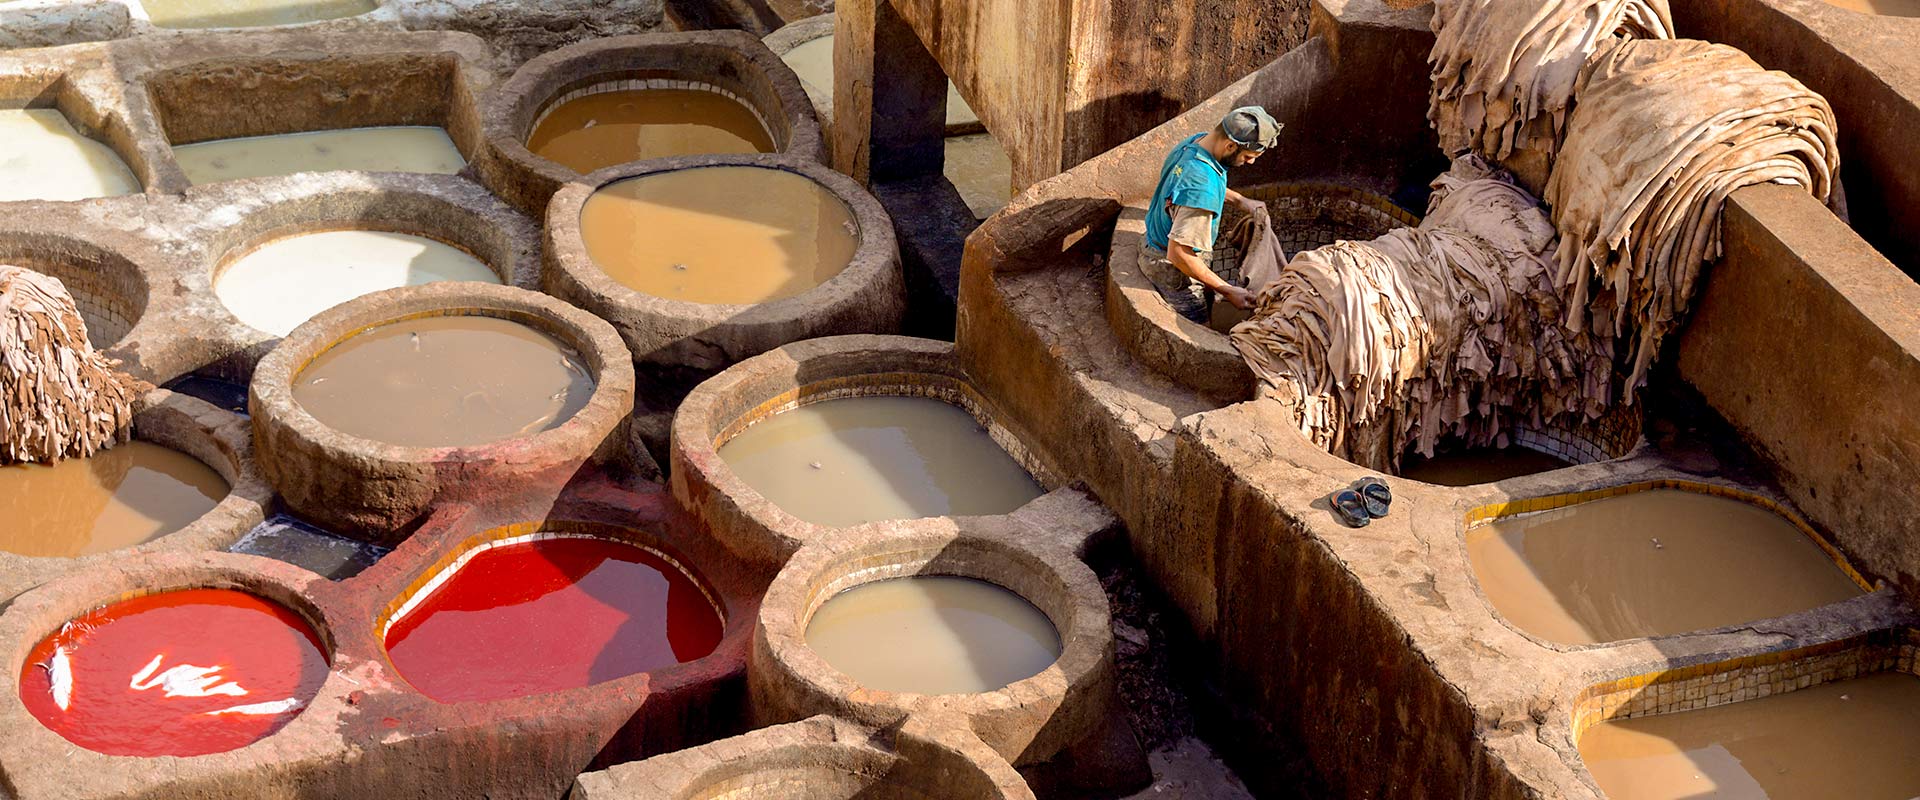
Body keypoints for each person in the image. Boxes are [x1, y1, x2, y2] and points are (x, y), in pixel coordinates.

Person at [1139, 106, 1282, 323]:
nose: (1251, 162)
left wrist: (1241, 201)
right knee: (1195, 325)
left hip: (1152, 241)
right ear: (1230, 145)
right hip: (1174, 273)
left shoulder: (1196, 144)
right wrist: (1227, 290)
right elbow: (1178, 253)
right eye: (1249, 156)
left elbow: (1192, 185)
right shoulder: (1201, 187)